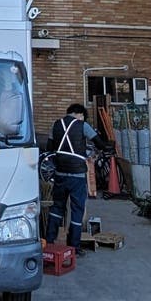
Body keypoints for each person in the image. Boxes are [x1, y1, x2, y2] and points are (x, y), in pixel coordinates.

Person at [43, 102, 99, 254]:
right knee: (77, 210)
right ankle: (74, 246)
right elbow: (99, 142)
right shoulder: (83, 125)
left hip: (60, 173)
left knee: (57, 207)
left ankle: (49, 241)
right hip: (77, 176)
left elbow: (49, 148)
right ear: (79, 114)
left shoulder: (56, 125)